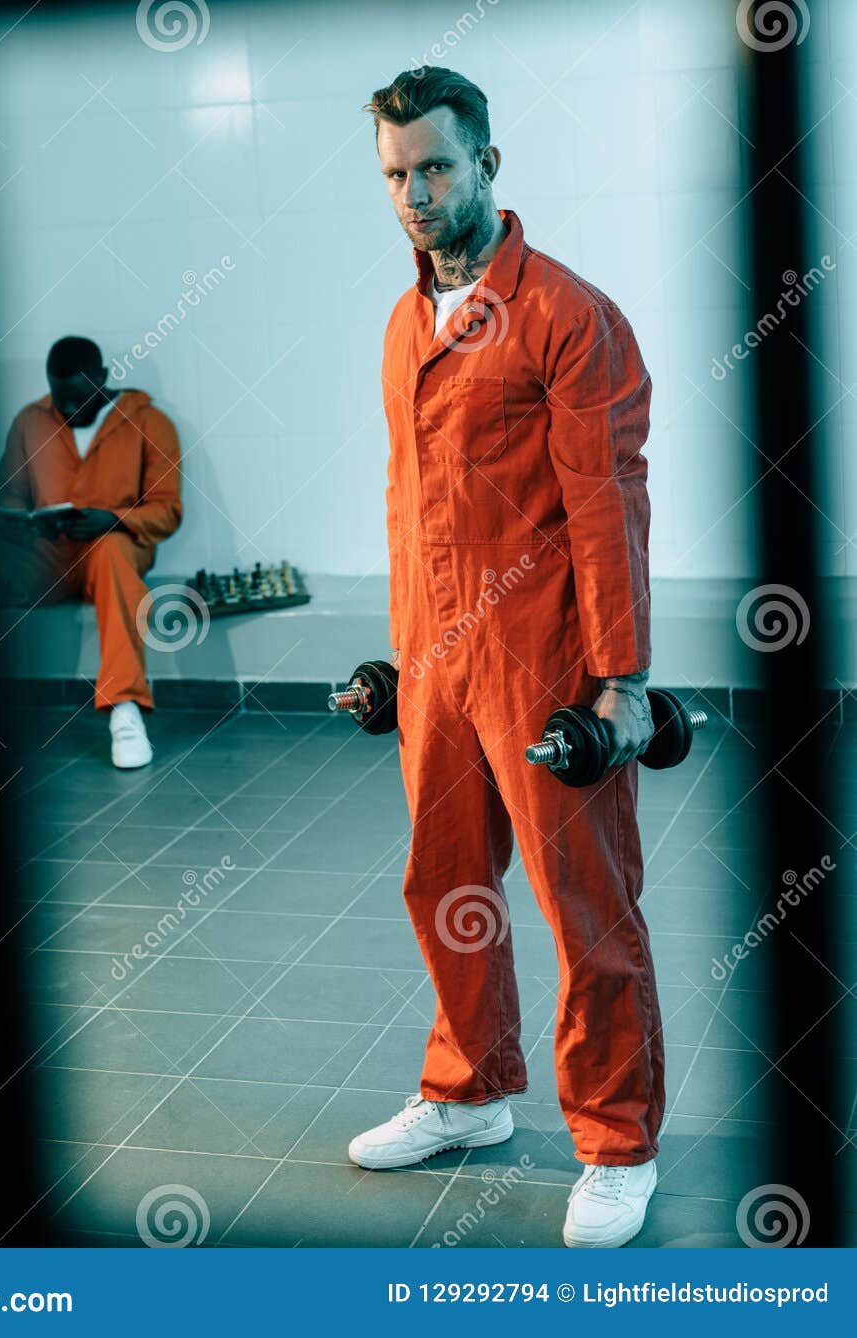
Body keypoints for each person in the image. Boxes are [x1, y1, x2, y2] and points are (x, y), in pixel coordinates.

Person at [347, 68, 663, 1250]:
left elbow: (607, 502)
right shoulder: (404, 321)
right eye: (396, 175)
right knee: (445, 884)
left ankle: (617, 1141)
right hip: (438, 659)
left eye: (435, 166)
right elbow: (410, 504)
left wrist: (620, 681)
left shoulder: (568, 315)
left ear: (487, 162)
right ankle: (469, 1090)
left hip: (544, 661)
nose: (416, 194)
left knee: (584, 904)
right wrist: (401, 659)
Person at [0, 336, 182, 773]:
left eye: (78, 396)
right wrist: (20, 521)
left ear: (102, 378)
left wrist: (112, 519)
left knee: (111, 551)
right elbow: (5, 499)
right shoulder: (30, 421)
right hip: (47, 556)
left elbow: (167, 510)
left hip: (115, 549)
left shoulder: (149, 422)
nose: (67, 408)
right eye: (59, 395)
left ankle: (124, 710)